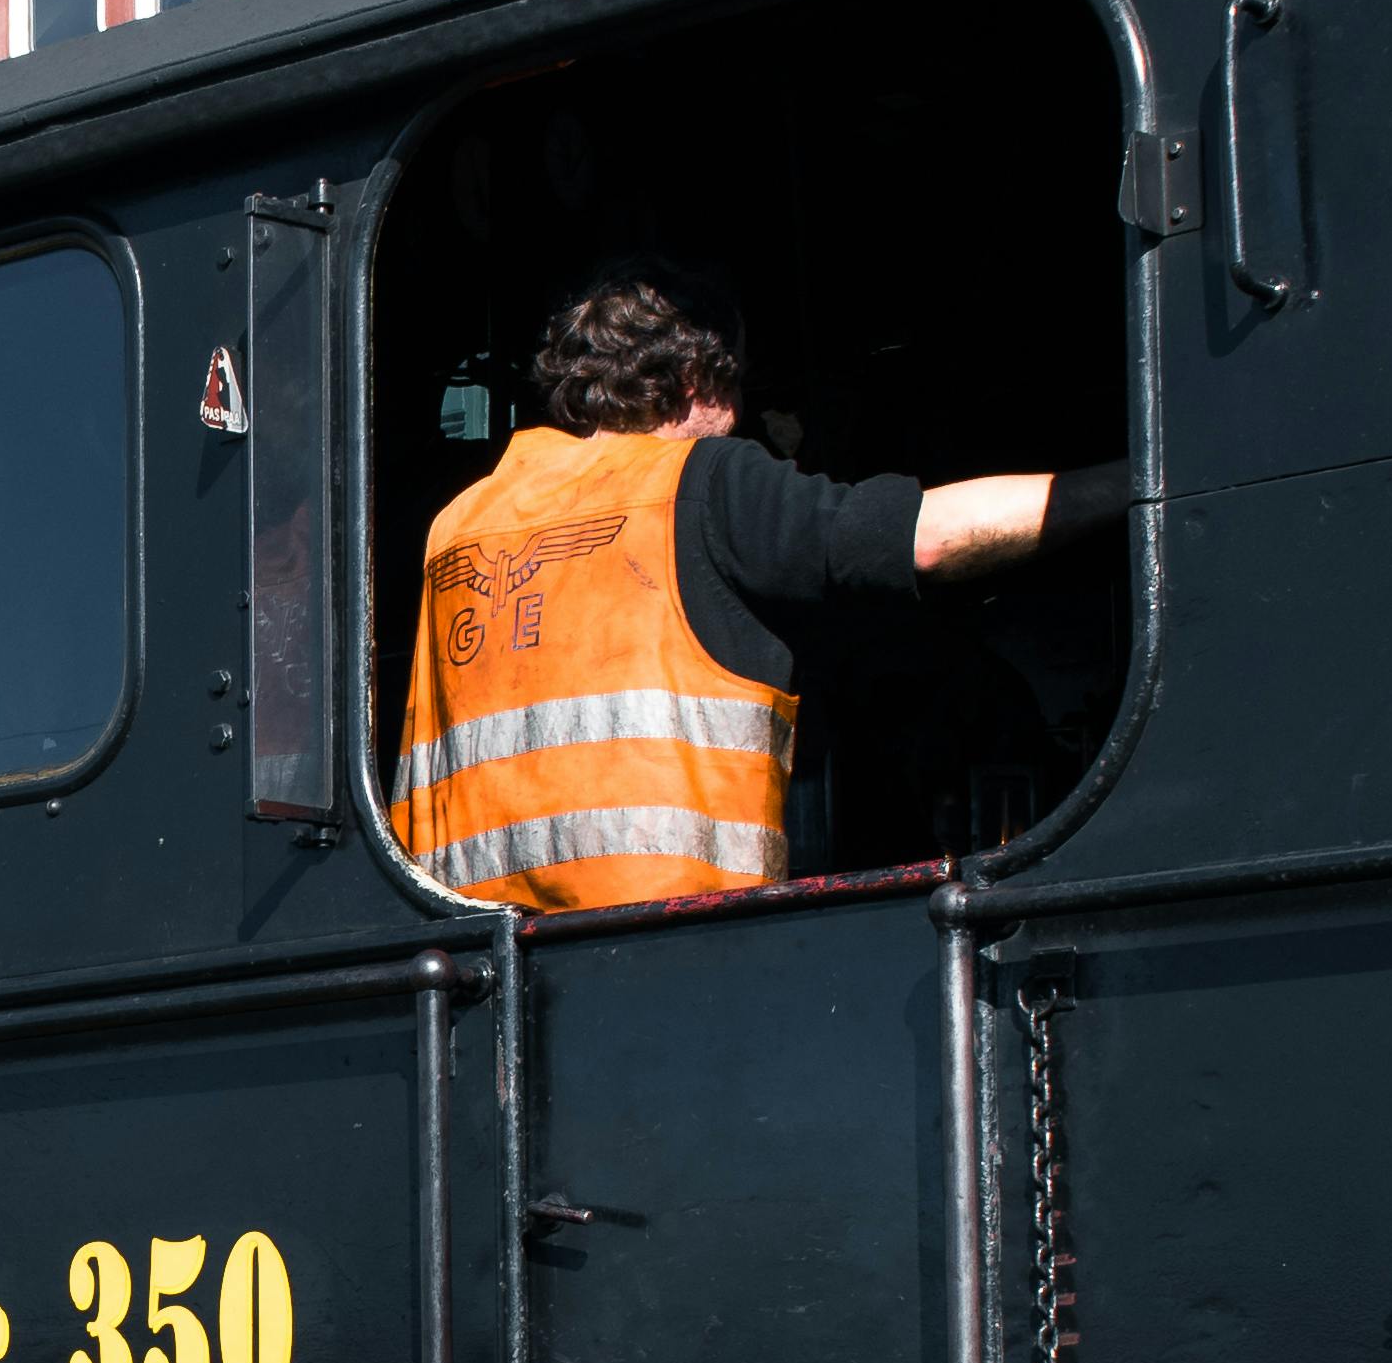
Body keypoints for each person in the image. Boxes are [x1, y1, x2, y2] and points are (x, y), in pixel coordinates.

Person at [389, 271, 1104, 909]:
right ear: (703, 379)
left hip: (474, 958)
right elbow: (930, 535)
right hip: (672, 947)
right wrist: (1139, 483)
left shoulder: (458, 521)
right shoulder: (703, 481)